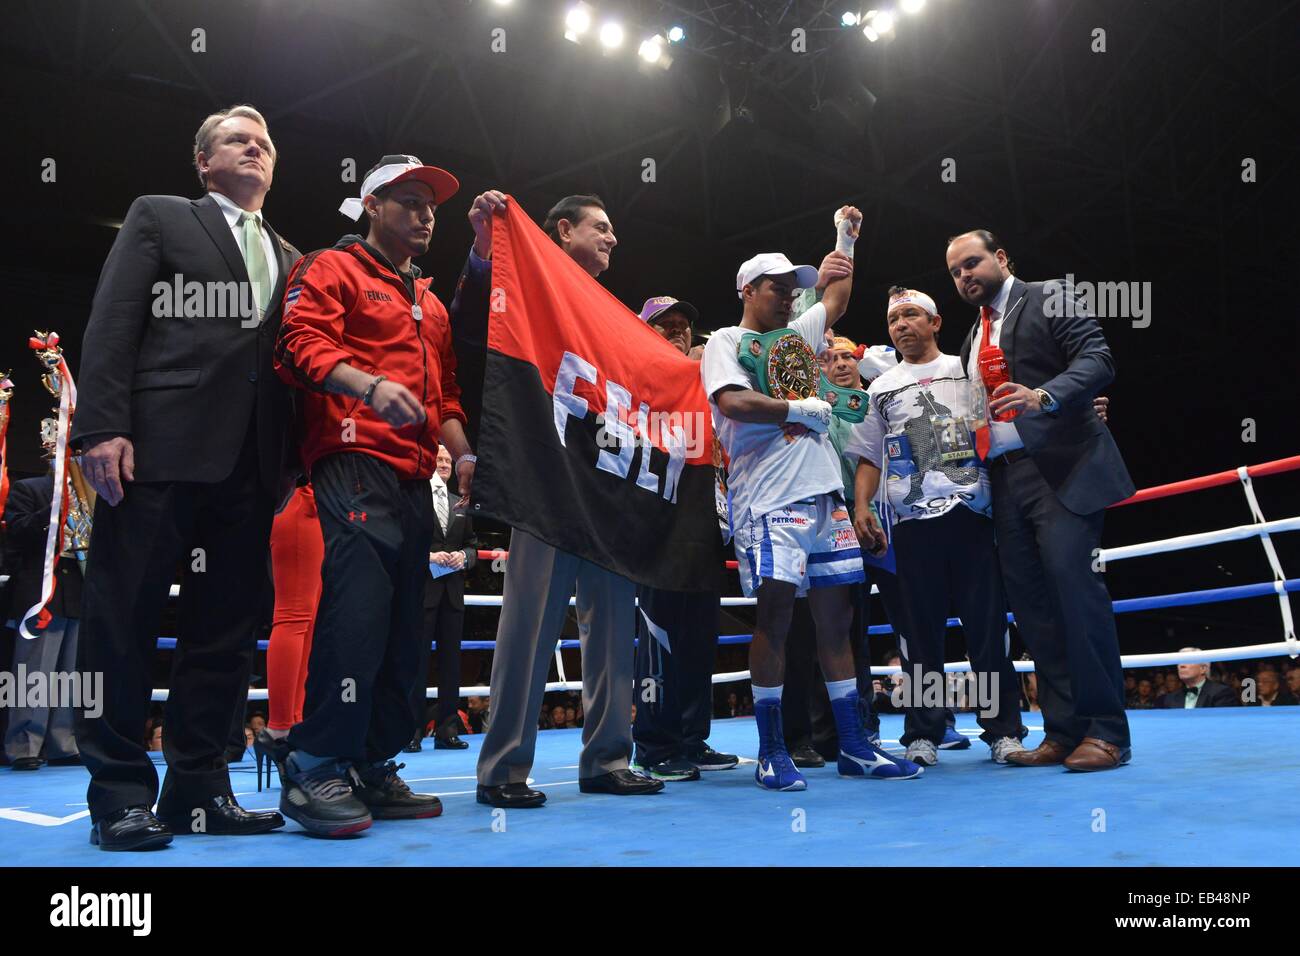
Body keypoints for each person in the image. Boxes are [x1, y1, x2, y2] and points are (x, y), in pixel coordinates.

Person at [71, 105, 298, 850]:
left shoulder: (295, 257)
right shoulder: (161, 217)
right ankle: (118, 796)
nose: (255, 150)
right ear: (204, 162)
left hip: (251, 471)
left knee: (225, 636)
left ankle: (198, 791)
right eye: (239, 140)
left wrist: (292, 465)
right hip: (155, 454)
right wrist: (103, 426)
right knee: (122, 621)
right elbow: (113, 321)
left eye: (264, 144)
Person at [271, 154, 475, 836]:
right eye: (410, 201)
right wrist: (365, 385)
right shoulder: (331, 268)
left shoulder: (433, 303)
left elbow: (444, 394)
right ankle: (313, 763)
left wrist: (464, 451)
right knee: (356, 613)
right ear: (371, 206)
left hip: (417, 476)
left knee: (401, 632)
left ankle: (370, 763)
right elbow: (296, 343)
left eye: (432, 207)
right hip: (351, 458)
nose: (425, 215)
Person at [701, 205, 923, 792]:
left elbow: (837, 301)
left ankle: (853, 744)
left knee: (837, 616)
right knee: (775, 617)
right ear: (750, 289)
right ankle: (771, 749)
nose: (789, 297)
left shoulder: (795, 336)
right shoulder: (726, 340)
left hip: (825, 495)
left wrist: (845, 237)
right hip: (770, 498)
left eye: (793, 288)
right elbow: (730, 402)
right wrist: (796, 409)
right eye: (779, 288)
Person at [458, 192, 662, 808]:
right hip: (544, 484)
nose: (613, 238)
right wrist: (482, 250)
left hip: (603, 489)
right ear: (563, 229)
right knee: (528, 626)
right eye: (601, 227)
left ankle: (607, 758)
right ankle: (502, 769)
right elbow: (474, 321)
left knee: (613, 629)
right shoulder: (526, 281)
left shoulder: (613, 314)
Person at [946, 229, 1135, 772]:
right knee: (1033, 610)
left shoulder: (1048, 294)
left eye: (973, 263)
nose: (966, 276)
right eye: (956, 272)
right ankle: (1062, 728)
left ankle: (1107, 733)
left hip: (1061, 471)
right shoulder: (971, 341)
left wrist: (1046, 396)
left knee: (1077, 597)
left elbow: (1098, 359)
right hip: (1004, 481)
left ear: (1001, 258)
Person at [847, 287, 1024, 766]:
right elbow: (867, 454)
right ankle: (923, 731)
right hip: (912, 522)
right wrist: (862, 507)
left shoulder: (966, 371)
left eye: (910, 316)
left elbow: (1004, 422)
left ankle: (1002, 730)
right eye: (893, 320)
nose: (901, 326)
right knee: (919, 634)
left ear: (935, 322)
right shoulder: (880, 388)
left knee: (986, 629)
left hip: (972, 514)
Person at [630, 296, 740, 781]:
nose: (677, 332)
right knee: (658, 636)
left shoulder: (711, 376)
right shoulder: (636, 377)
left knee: (699, 636)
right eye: (665, 325)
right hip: (657, 523)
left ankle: (693, 738)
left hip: (708, 518)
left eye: (682, 326)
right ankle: (654, 746)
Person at [2, 474, 84, 771]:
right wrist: (52, 510)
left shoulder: (92, 494)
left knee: (72, 674)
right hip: (40, 594)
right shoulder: (30, 488)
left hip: (80, 590)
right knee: (32, 674)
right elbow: (17, 534)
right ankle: (24, 746)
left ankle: (64, 744)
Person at [406, 444, 479, 752]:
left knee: (451, 664)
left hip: (452, 593)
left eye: (449, 460)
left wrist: (463, 557)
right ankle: (410, 731)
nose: (446, 464)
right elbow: (404, 541)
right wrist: (428, 557)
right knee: (415, 662)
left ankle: (447, 729)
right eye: (440, 459)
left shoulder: (460, 502)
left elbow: (474, 545)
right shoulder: (416, 499)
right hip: (422, 591)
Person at [1156, 650, 1238, 708]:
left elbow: (1222, 725)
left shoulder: (1222, 693)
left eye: (1187, 660)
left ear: (1203, 668)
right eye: (1179, 661)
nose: (1181, 665)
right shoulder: (1170, 698)